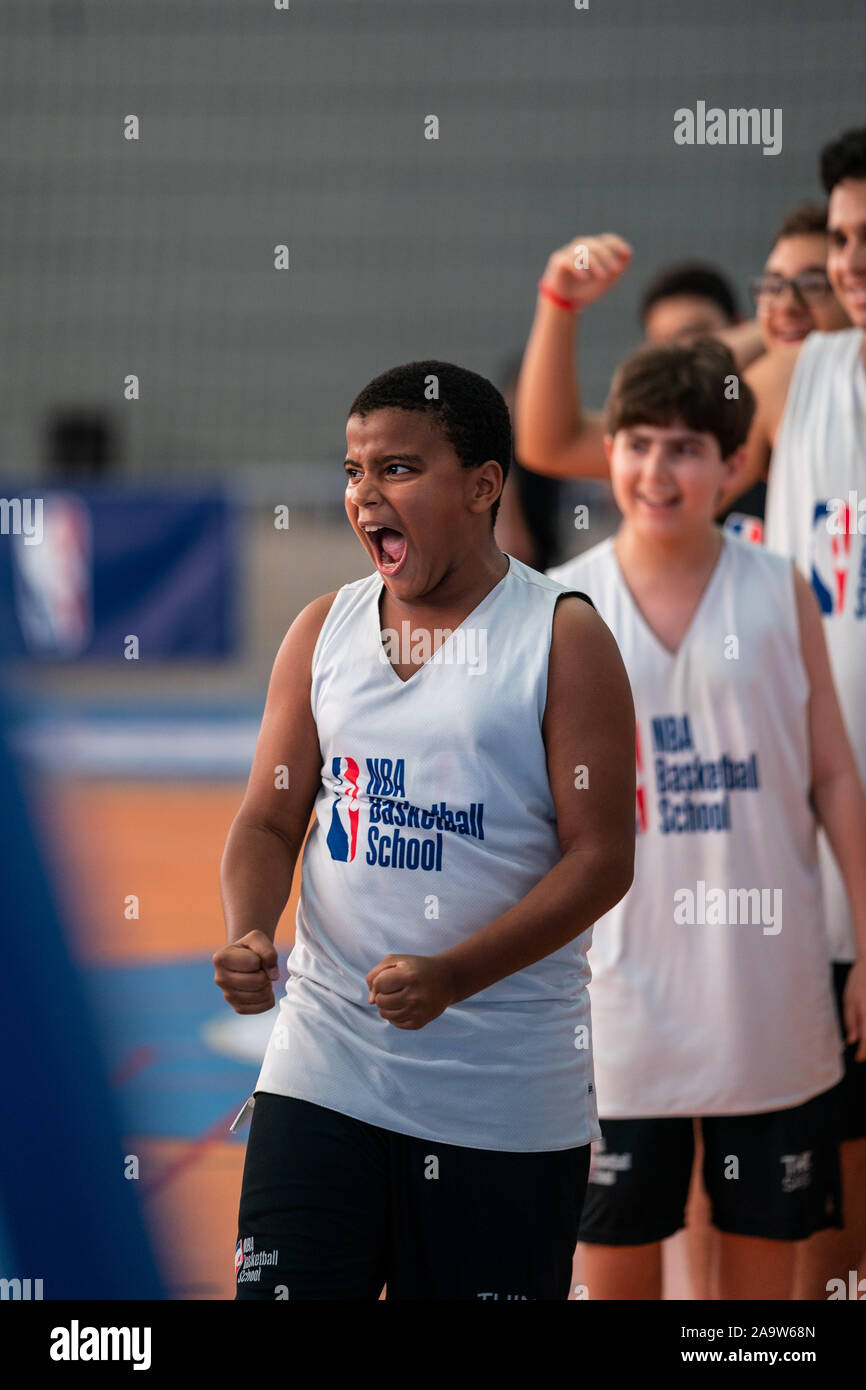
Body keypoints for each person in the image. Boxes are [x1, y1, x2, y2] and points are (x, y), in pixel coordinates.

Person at [215, 360, 635, 1301]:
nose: (367, 493)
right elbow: (269, 816)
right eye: (356, 470)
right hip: (324, 1066)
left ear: (486, 484)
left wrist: (456, 975)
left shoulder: (563, 636)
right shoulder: (323, 628)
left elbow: (604, 858)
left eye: (399, 469)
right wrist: (249, 926)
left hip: (504, 1099)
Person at [547, 338, 866, 1301]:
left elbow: (835, 779)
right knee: (614, 1273)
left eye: (685, 448)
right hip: (614, 1004)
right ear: (610, 454)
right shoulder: (566, 603)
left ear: (734, 467)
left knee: (764, 1297)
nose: (656, 469)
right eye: (637, 443)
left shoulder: (778, 590)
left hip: (766, 999)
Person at [744, 127, 866, 1299]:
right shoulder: (802, 381)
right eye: (837, 240)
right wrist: (558, 306)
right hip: (826, 876)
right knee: (826, 1231)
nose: (847, 263)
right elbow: (565, 441)